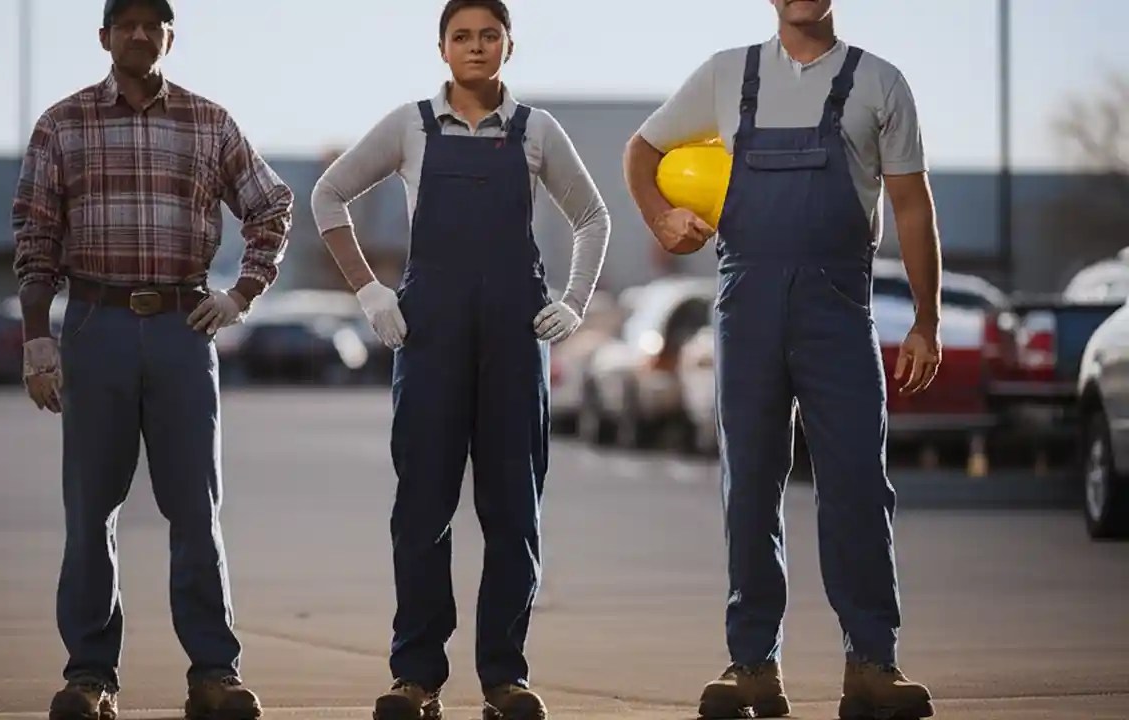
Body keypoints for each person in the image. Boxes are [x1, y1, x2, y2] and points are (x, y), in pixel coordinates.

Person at [624, 1, 940, 719]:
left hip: (839, 312)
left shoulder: (879, 82)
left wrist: (927, 318)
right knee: (750, 489)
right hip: (748, 310)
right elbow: (641, 154)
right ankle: (752, 667)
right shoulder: (725, 74)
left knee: (858, 485)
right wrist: (660, 216)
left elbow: (912, 205)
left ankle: (872, 666)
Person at [310, 1, 610, 718]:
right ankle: (415, 678)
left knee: (513, 515)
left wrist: (573, 301)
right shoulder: (410, 126)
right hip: (431, 339)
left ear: (510, 44)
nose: (476, 48)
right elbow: (328, 195)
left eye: (488, 36)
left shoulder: (538, 131)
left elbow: (593, 217)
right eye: (462, 37)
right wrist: (369, 291)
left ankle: (506, 679)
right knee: (422, 511)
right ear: (441, 48)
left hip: (515, 342)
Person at [11, 1, 294, 718]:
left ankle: (213, 674)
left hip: (180, 330)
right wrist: (37, 335)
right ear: (105, 37)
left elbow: (271, 205)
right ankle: (90, 677)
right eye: (125, 22)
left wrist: (243, 293)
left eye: (153, 23)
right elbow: (35, 234)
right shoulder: (62, 124)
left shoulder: (209, 123)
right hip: (94, 326)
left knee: (196, 510)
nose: (139, 34)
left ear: (170, 36)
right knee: (91, 510)